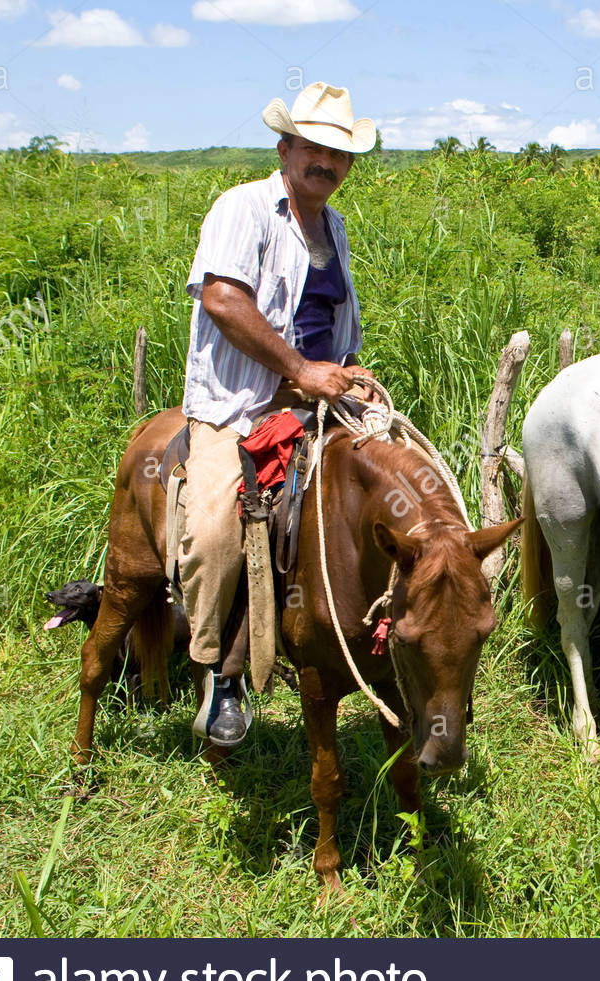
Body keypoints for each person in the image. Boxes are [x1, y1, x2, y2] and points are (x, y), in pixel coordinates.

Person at [179, 82, 378, 746]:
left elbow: (330, 322)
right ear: (285, 146)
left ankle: (370, 633)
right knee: (213, 531)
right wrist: (299, 372)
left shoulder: (334, 227)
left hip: (324, 397)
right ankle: (219, 671)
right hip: (242, 406)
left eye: (338, 153)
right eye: (313, 147)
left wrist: (350, 368)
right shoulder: (245, 207)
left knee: (404, 486)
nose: (325, 161)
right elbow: (223, 300)